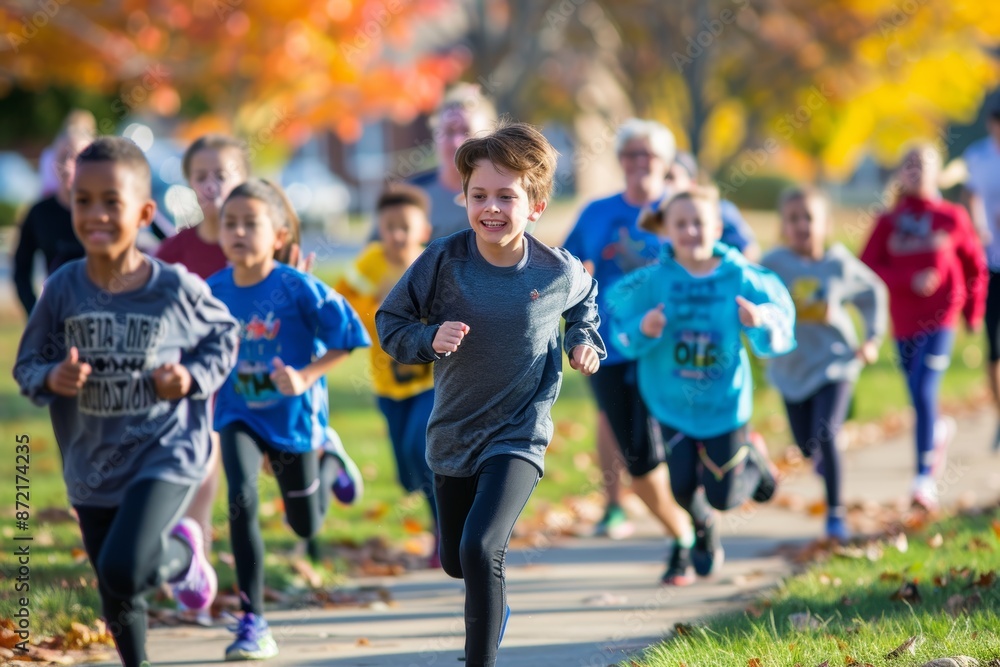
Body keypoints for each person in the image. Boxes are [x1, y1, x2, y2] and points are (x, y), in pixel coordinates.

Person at [376, 120, 604, 667]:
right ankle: (491, 603)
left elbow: (586, 302)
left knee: (481, 549)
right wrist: (429, 338)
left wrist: (583, 341)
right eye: (480, 196)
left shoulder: (556, 270)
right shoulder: (443, 262)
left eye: (507, 196)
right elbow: (390, 324)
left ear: (537, 205)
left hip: (518, 434)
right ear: (464, 198)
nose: (492, 208)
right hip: (454, 432)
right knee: (459, 559)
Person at [13, 137, 239, 667]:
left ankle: (184, 553)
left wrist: (189, 376)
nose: (95, 214)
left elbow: (223, 336)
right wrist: (54, 377)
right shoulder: (63, 288)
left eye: (111, 201)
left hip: (166, 451)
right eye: (83, 200)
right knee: (116, 588)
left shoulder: (171, 287)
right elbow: (27, 367)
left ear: (144, 211)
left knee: (123, 566)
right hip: (90, 463)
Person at [207, 178, 370, 661]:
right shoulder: (212, 290)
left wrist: (304, 377)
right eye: (229, 224)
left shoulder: (296, 287)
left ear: (278, 234)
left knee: (304, 524)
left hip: (295, 419)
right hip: (238, 412)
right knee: (240, 496)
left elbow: (350, 335)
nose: (237, 232)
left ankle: (329, 461)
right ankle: (252, 620)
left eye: (250, 224)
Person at [609, 187, 794, 585]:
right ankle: (703, 528)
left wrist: (760, 318)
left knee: (723, 495)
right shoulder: (654, 279)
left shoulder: (739, 274)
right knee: (681, 487)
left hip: (723, 403)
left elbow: (782, 309)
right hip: (670, 399)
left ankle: (753, 461)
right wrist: (643, 327)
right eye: (681, 223)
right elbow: (615, 317)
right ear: (666, 230)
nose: (691, 230)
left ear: (717, 227)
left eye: (699, 222)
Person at [561, 118, 695, 555]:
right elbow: (569, 267)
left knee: (681, 444)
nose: (639, 164)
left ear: (666, 162)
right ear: (620, 161)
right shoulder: (597, 213)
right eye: (631, 155)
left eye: (649, 155)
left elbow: (721, 259)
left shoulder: (684, 210)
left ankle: (696, 519)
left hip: (671, 348)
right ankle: (680, 529)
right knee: (638, 459)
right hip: (611, 348)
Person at [860, 144, 987, 511]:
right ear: (900, 173)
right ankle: (938, 431)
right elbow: (866, 269)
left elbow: (975, 267)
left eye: (923, 164)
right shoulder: (888, 221)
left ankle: (923, 480)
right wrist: (907, 280)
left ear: (938, 172)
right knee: (917, 394)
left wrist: (973, 313)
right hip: (903, 322)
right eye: (908, 164)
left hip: (942, 317)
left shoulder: (952, 217)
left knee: (924, 389)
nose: (915, 170)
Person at [761, 187, 888, 541]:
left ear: (826, 224)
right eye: (793, 219)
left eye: (809, 218)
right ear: (783, 226)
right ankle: (822, 463)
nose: (802, 225)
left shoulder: (838, 263)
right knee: (805, 445)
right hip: (791, 368)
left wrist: (873, 338)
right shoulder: (772, 264)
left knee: (826, 433)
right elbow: (746, 289)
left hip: (835, 361)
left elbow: (873, 292)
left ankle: (835, 513)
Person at [335, 184, 439, 564]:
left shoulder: (432, 264)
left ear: (424, 230)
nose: (396, 235)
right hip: (387, 386)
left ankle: (441, 532)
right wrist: (374, 305)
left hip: (429, 381)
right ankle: (430, 502)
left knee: (421, 448)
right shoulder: (371, 262)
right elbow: (341, 302)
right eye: (388, 227)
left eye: (405, 227)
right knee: (406, 468)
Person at [13, 127, 91, 315]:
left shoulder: (107, 210)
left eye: (77, 158)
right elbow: (21, 269)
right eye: (63, 157)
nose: (68, 165)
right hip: (58, 314)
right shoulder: (39, 213)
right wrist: (34, 313)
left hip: (104, 314)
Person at [409, 83, 498, 241]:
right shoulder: (410, 195)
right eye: (449, 132)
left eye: (466, 131)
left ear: (489, 138)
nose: (457, 142)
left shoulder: (507, 196)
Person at [962, 98, 1000, 451]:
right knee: (994, 348)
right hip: (990, 263)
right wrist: (980, 226)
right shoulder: (979, 157)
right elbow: (971, 196)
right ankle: (999, 414)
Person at [668, 150, 761, 261]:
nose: (665, 184)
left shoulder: (721, 210)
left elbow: (749, 250)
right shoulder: (653, 213)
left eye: (670, 177)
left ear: (691, 183)